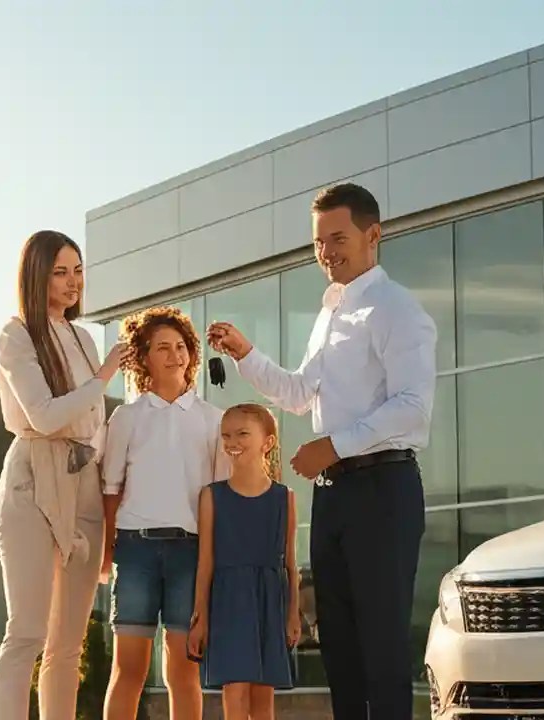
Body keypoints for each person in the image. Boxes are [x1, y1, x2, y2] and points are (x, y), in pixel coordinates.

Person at [206, 182, 436, 720]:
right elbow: (297, 391)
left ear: (372, 235)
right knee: (337, 640)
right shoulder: (331, 311)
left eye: (338, 238)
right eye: (317, 242)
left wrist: (331, 446)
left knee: (381, 641)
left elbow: (412, 408)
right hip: (334, 496)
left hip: (384, 490)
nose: (326, 251)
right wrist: (246, 353)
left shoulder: (396, 310)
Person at [0, 230, 132, 720]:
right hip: (33, 478)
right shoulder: (17, 334)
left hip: (85, 482)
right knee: (27, 630)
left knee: (68, 642)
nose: (74, 282)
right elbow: (47, 416)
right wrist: (105, 376)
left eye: (78, 270)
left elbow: (92, 420)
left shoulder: (83, 335)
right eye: (60, 271)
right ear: (37, 275)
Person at [100, 306, 229, 720]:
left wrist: (215, 562)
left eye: (180, 346)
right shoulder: (126, 417)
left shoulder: (213, 421)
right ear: (144, 357)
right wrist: (106, 554)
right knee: (128, 669)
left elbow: (218, 499)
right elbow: (109, 491)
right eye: (162, 348)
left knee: (183, 671)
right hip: (135, 553)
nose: (174, 355)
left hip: (190, 554)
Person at [187, 403, 298, 720]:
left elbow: (290, 563)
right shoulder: (212, 496)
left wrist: (292, 614)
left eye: (242, 434)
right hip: (228, 603)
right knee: (234, 692)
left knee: (264, 698)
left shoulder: (284, 497)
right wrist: (200, 618)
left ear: (268, 442)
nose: (232, 442)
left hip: (269, 602)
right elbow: (205, 563)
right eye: (226, 436)